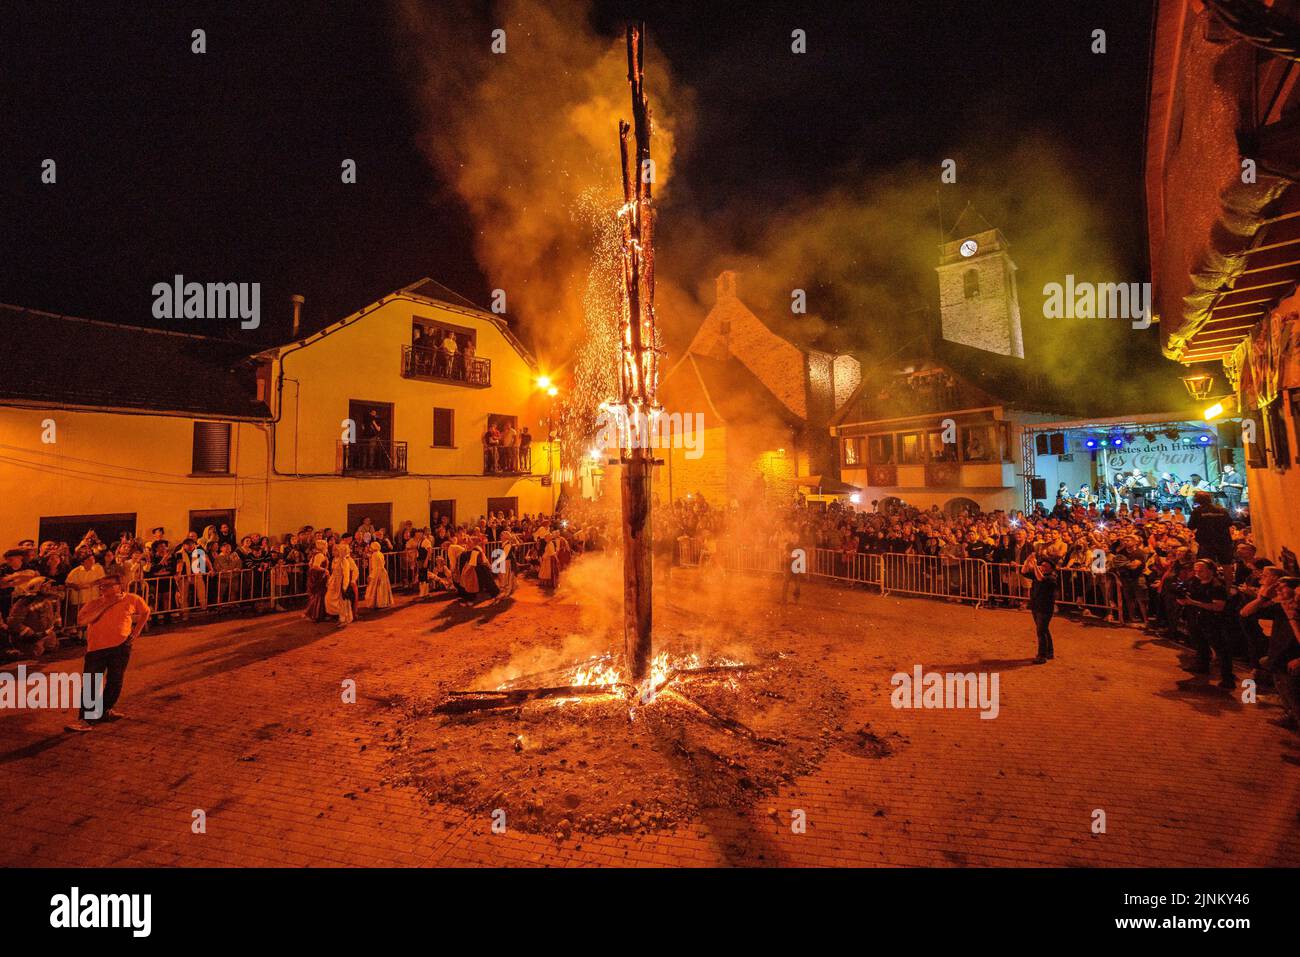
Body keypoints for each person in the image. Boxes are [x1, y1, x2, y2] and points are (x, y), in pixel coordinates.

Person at [66, 572, 150, 732]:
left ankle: (104, 710)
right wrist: (107, 604)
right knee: (91, 683)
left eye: (108, 585)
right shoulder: (94, 603)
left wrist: (136, 632)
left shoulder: (132, 599)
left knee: (115, 681)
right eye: (102, 585)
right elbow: (82, 620)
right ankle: (86, 719)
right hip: (96, 649)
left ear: (120, 586)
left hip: (121, 646)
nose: (103, 588)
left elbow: (146, 611)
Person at [1180, 558, 1235, 688]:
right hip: (1196, 618)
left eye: (1201, 570)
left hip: (1212, 620)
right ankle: (1202, 665)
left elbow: (1218, 606)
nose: (1198, 573)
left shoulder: (1217, 586)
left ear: (1211, 570)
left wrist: (1193, 603)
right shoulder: (1194, 581)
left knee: (1220, 649)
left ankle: (1227, 678)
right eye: (1196, 570)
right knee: (1199, 643)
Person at [1022, 552, 1058, 663]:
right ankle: (1049, 652)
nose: (1043, 567)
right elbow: (1024, 571)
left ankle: (1042, 656)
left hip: (1045, 608)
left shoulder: (1051, 577)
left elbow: (1040, 578)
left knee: (1041, 631)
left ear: (1051, 568)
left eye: (1045, 566)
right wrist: (1027, 561)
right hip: (1036, 606)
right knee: (1044, 630)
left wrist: (1036, 565)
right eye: (1043, 565)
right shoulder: (1039, 574)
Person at [1187, 490, 1233, 564]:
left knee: (1207, 564)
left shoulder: (1197, 512)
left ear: (1197, 500)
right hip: (1224, 541)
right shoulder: (1222, 510)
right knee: (1226, 565)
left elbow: (1191, 526)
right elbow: (1230, 523)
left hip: (1206, 542)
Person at [325, 543, 359, 626]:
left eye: (336, 550)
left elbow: (346, 575)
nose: (333, 552)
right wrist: (330, 581)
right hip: (334, 582)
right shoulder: (335, 560)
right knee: (328, 598)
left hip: (341, 583)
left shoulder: (344, 561)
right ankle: (337, 615)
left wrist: (344, 586)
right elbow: (333, 572)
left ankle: (343, 619)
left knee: (342, 602)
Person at [362, 541, 394, 609]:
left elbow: (375, 566)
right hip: (383, 572)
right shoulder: (380, 553)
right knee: (382, 588)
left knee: (375, 588)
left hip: (377, 573)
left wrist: (371, 575)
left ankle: (376, 603)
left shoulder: (374, 555)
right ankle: (383, 602)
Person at [304, 541, 330, 622]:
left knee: (317, 595)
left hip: (315, 576)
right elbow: (315, 566)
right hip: (319, 577)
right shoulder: (320, 555)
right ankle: (316, 615)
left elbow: (310, 565)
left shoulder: (315, 554)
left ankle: (314, 614)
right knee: (320, 595)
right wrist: (325, 570)